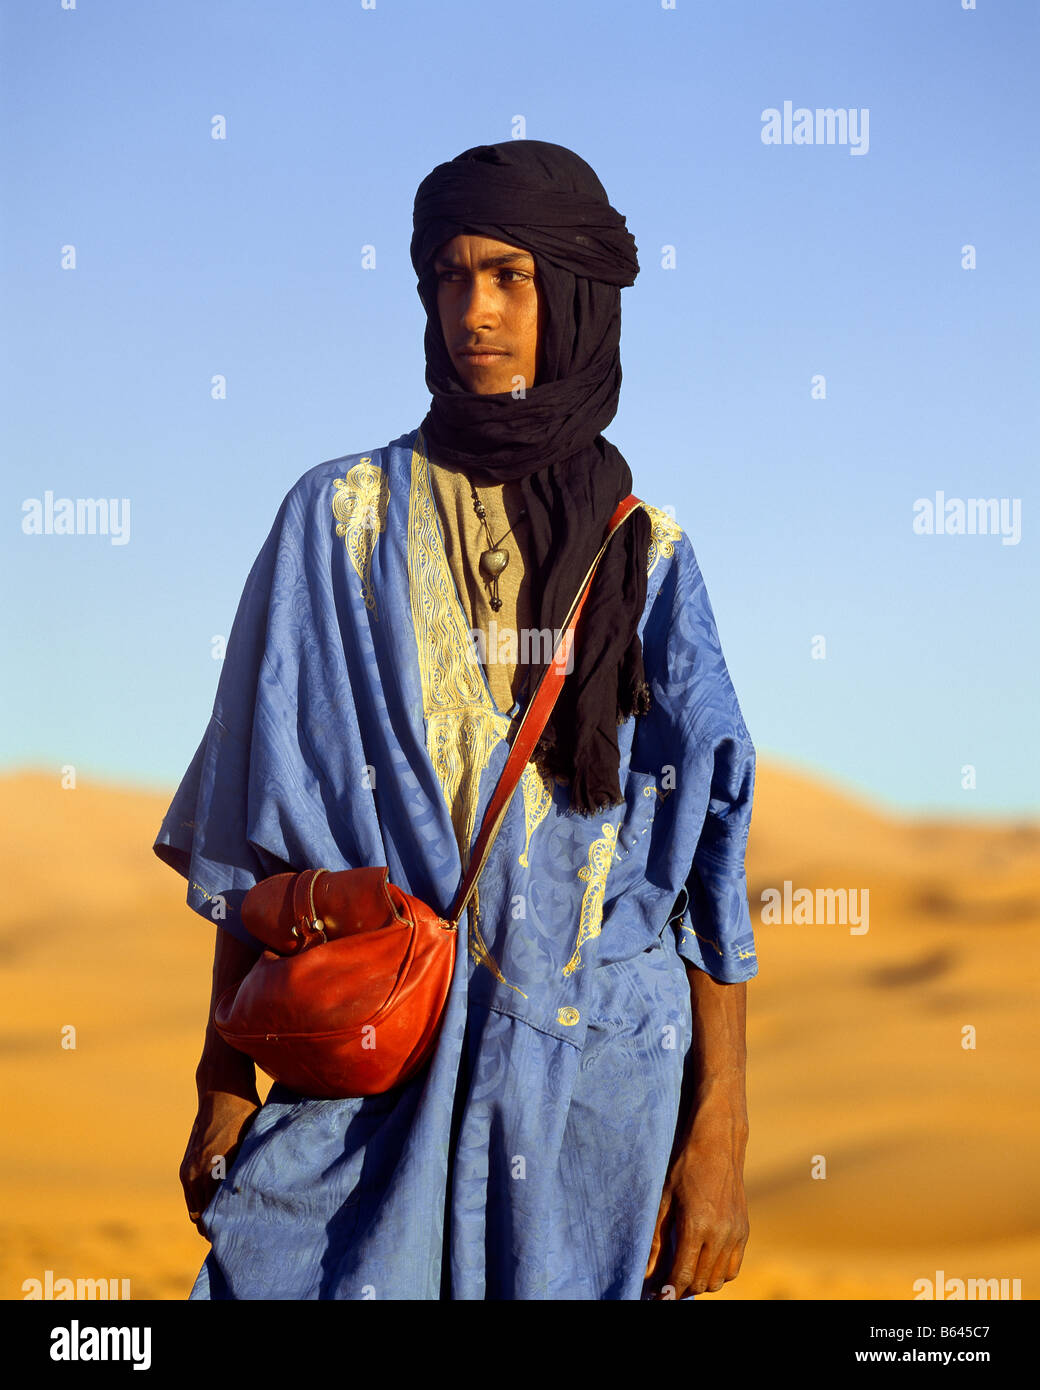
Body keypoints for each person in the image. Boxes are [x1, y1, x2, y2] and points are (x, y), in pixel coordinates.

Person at [154, 139, 758, 1301]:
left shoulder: (652, 555)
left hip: (594, 1094)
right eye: (447, 275)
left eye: (508, 277)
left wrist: (719, 1134)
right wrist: (224, 1072)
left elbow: (708, 879)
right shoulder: (341, 520)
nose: (472, 310)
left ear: (572, 296)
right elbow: (253, 826)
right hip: (371, 1075)